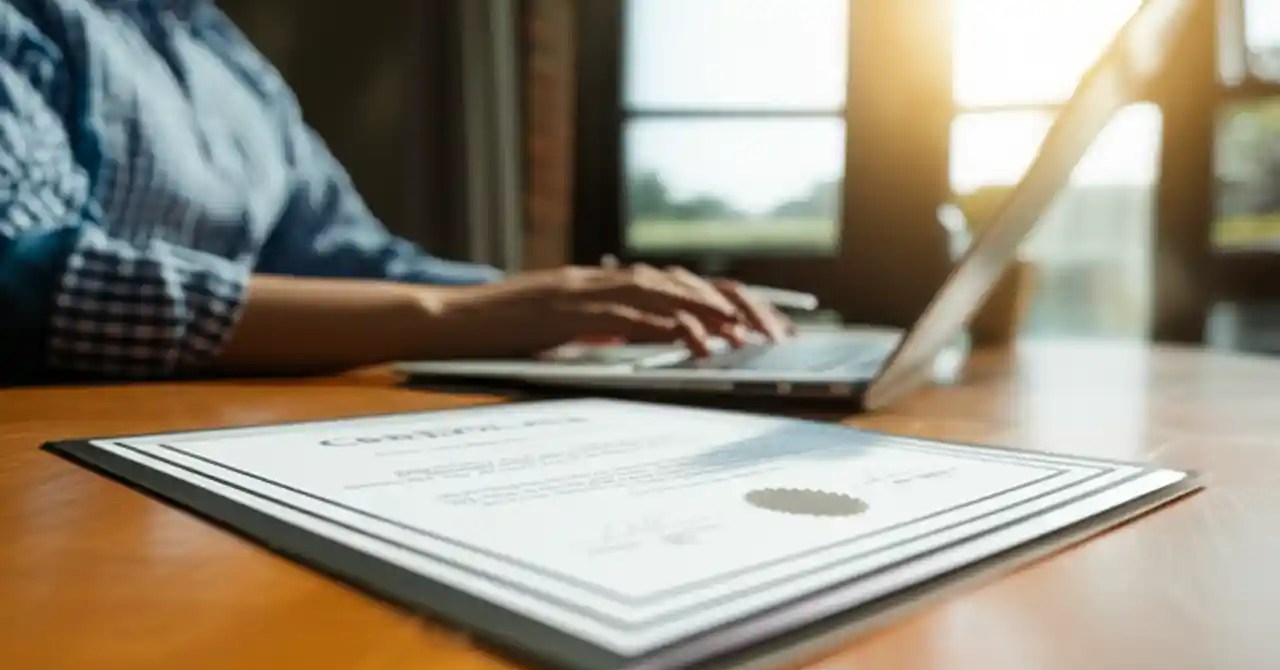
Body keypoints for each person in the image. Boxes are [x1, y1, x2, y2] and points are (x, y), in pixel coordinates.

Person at [0, 0, 790, 382]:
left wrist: (567, 307)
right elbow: (27, 285)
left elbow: (345, 255)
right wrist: (459, 316)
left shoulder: (219, 48)